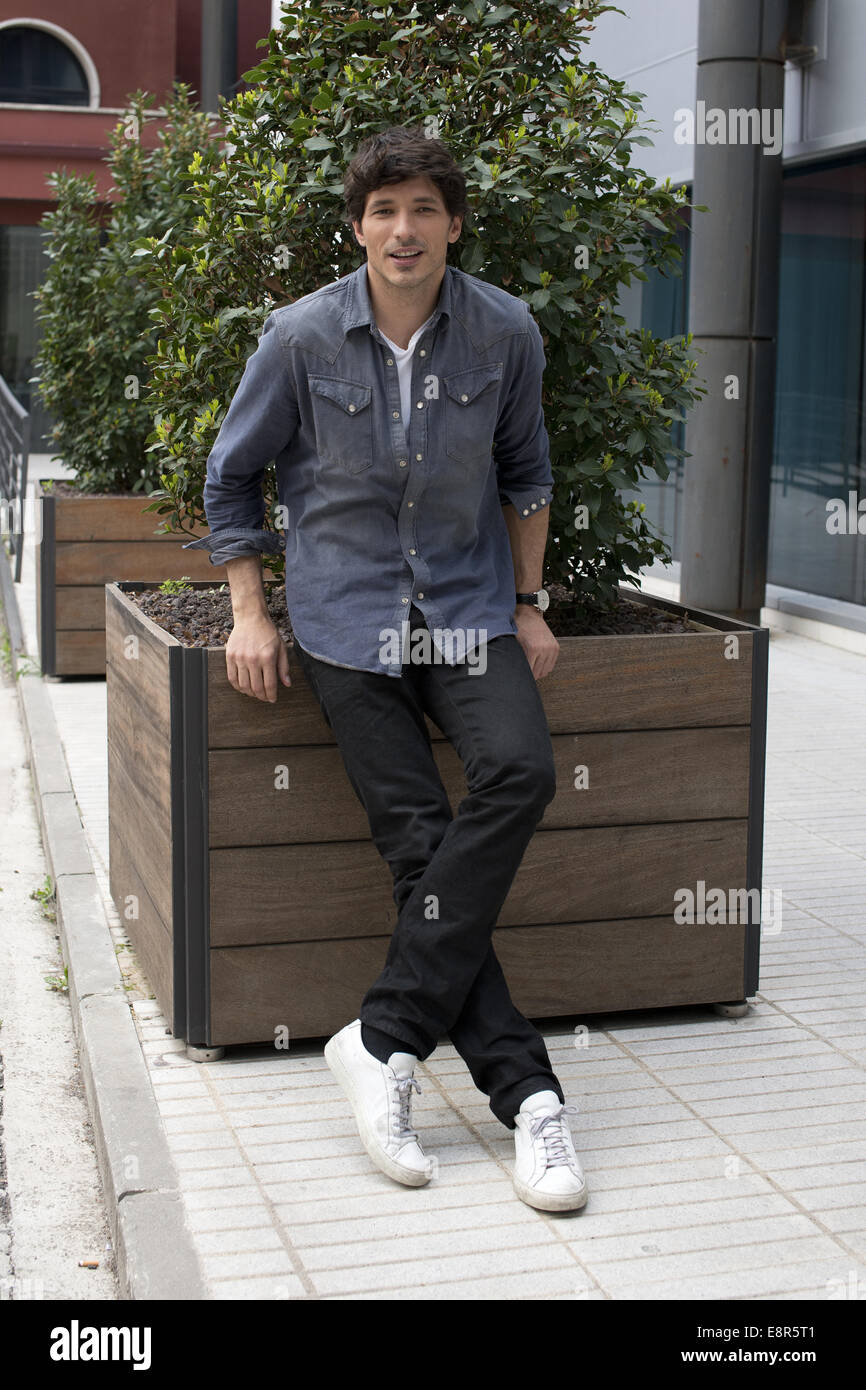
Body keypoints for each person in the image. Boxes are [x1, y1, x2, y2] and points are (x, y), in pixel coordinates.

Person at [185, 125, 587, 1213]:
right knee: (418, 842)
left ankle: (383, 1036)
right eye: (380, 211)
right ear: (357, 226)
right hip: (345, 620)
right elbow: (232, 480)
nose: (400, 231)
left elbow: (528, 472)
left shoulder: (504, 330)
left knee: (519, 769)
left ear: (453, 222)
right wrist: (248, 615)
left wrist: (526, 601)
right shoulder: (300, 335)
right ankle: (531, 1100)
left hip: (463, 611)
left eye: (421, 210)